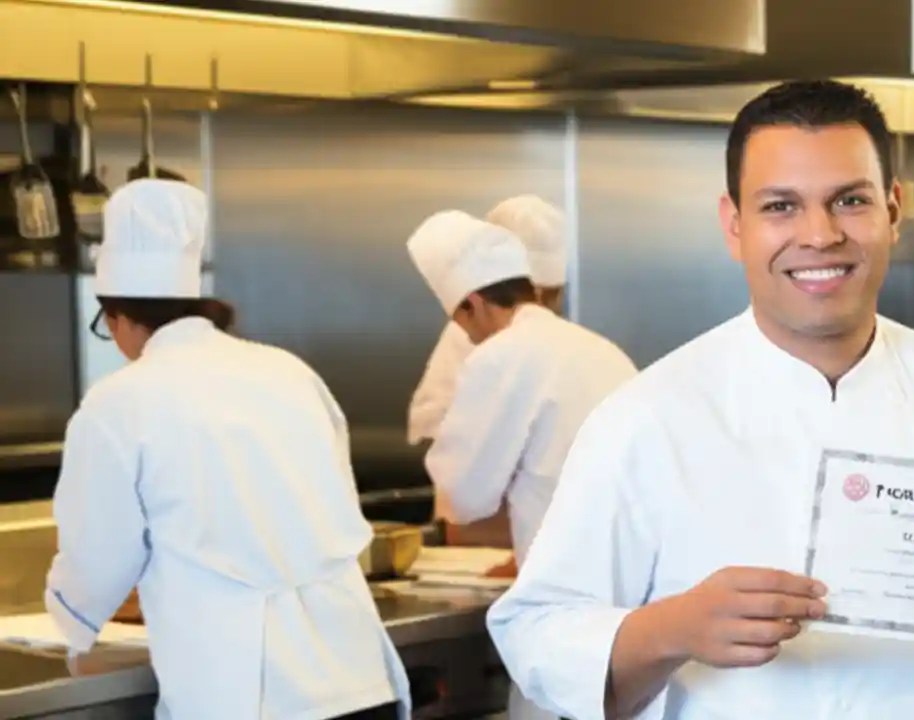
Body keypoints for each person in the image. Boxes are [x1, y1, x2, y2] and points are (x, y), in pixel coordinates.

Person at [487, 80, 914, 720]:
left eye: (849, 200)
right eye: (780, 206)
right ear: (734, 226)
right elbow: (539, 632)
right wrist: (675, 627)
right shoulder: (644, 420)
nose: (819, 235)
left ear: (893, 211)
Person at [45, 179, 409, 720]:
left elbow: (97, 561)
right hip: (355, 677)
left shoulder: (119, 401)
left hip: (248, 694)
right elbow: (335, 504)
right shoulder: (288, 371)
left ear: (118, 316)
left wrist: (69, 623)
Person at [406, 209, 636, 720]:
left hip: (563, 609)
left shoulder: (502, 355)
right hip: (631, 607)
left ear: (471, 303)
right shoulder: (597, 348)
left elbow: (463, 499)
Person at [406, 195, 567, 446]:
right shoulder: (468, 333)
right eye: (535, 293)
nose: (540, 305)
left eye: (552, 294)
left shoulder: (568, 339)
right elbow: (430, 428)